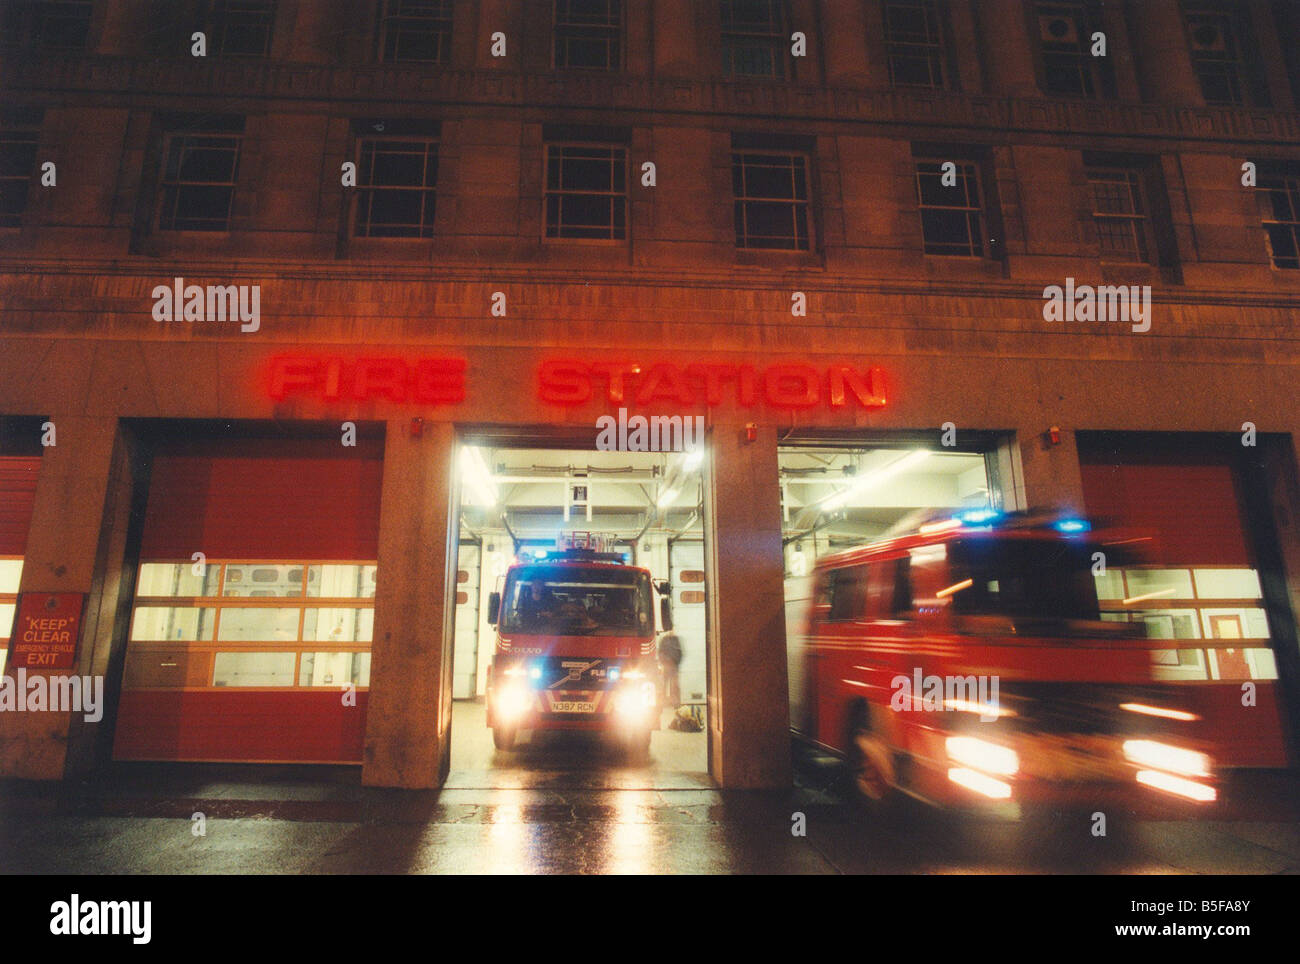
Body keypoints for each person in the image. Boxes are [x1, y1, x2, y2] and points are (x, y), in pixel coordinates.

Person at [657, 630, 683, 708]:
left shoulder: (674, 639)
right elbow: (661, 652)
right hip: (668, 665)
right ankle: (664, 702)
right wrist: (664, 662)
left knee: (673, 685)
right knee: (665, 684)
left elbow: (679, 652)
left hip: (672, 665)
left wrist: (675, 662)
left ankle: (675, 703)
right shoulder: (667, 640)